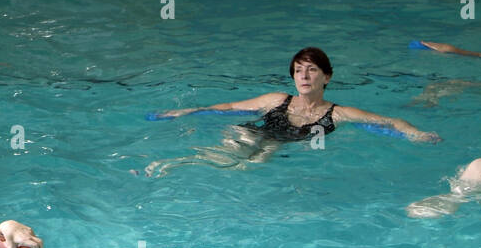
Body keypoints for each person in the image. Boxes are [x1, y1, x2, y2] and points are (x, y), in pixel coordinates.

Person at [146, 47, 438, 173]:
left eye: (311, 70)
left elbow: (390, 121)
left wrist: (417, 134)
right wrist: (188, 111)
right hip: (252, 132)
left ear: (327, 77)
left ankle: (170, 167)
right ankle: (167, 166)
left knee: (252, 165)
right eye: (298, 71)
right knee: (234, 151)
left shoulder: (337, 113)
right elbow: (231, 107)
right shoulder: (277, 100)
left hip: (278, 144)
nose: (304, 76)